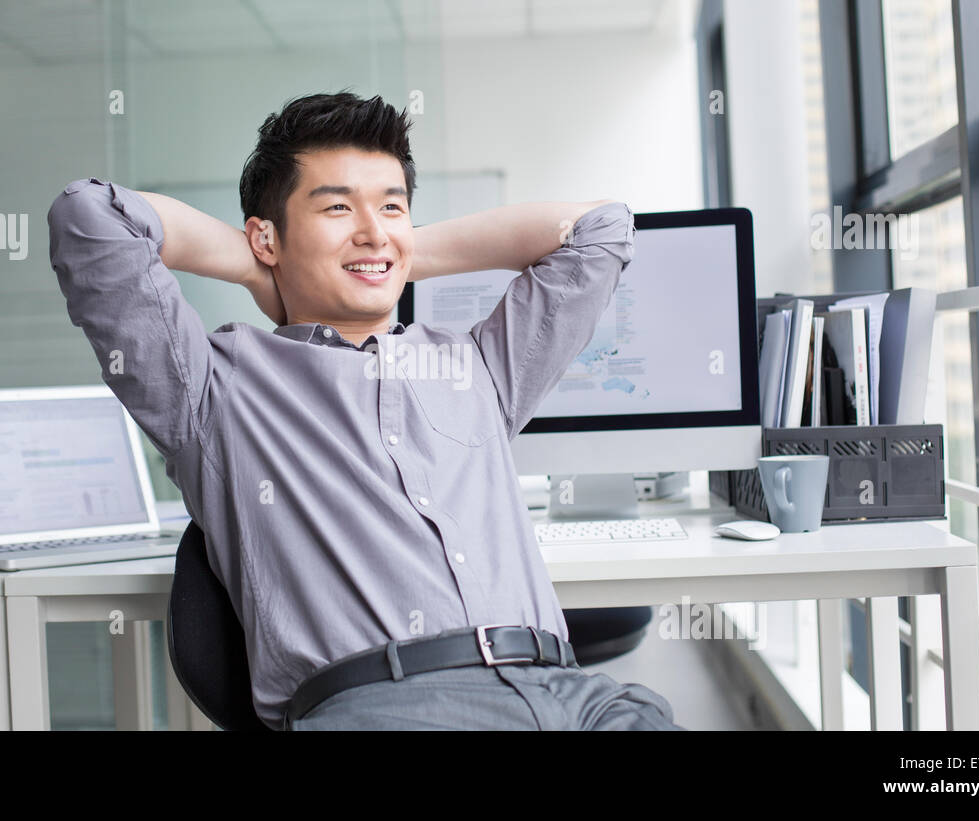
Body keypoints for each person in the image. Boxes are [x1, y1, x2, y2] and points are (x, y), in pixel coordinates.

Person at [48, 90, 682, 731]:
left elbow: (601, 228)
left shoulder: (481, 369)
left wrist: (389, 255)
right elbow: (91, 218)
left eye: (392, 206)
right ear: (266, 234)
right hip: (386, 707)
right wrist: (257, 265)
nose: (372, 225)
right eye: (337, 207)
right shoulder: (214, 389)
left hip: (573, 697)